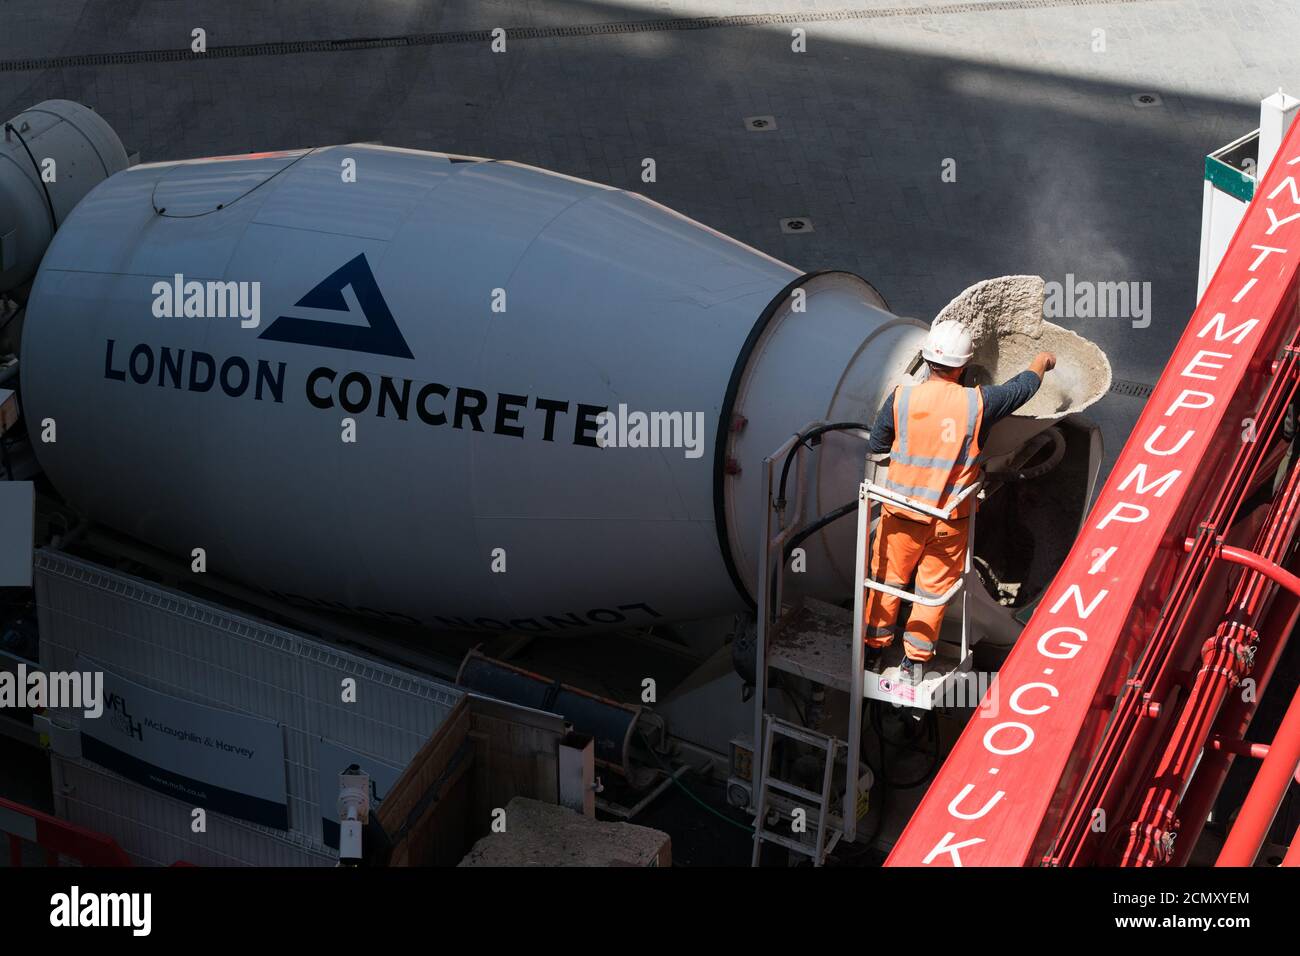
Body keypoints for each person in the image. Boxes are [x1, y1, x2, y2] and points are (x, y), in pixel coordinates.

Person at [863, 319, 1055, 682]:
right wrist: (1041, 362)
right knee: (932, 591)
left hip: (902, 515)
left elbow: (877, 446)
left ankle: (873, 650)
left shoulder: (902, 397)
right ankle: (915, 662)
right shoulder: (978, 402)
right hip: (948, 521)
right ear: (963, 366)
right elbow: (1022, 388)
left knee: (886, 581)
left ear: (925, 358)